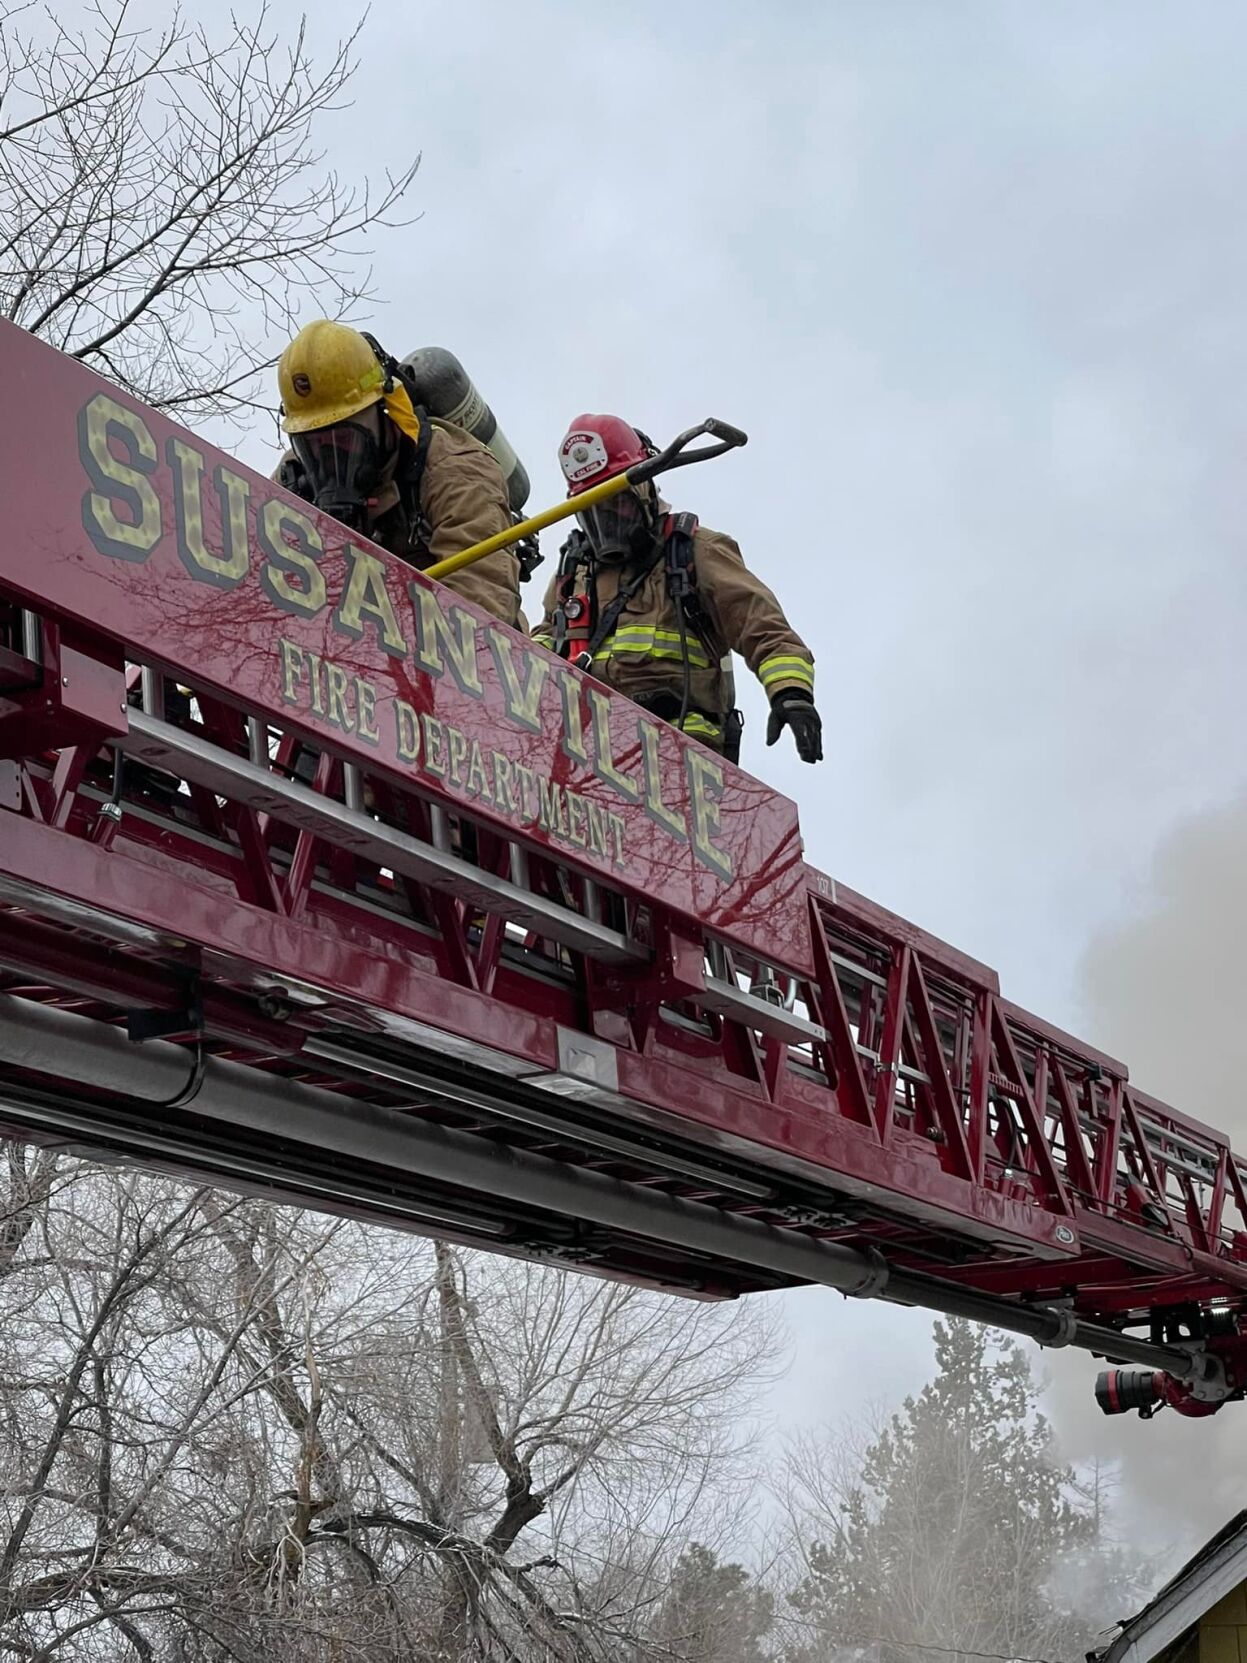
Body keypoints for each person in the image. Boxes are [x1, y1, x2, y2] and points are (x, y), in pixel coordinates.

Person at [533, 414, 822, 764]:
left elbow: (762, 626)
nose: (607, 524)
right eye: (593, 512)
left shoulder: (693, 551)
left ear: (646, 489)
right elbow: (539, 650)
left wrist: (791, 694)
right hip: (590, 764)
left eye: (616, 504)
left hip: (683, 762)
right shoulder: (574, 573)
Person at [275, 320, 523, 628]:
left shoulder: (454, 469)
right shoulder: (294, 477)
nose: (331, 458)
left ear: (384, 409)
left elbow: (482, 616)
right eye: (314, 444)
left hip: (446, 659)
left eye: (345, 439)